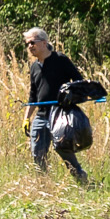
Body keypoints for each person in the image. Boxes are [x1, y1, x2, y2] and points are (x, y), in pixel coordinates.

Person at [22, 27, 92, 186]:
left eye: (32, 42)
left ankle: (81, 179)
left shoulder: (61, 60)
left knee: (63, 148)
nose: (30, 46)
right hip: (41, 115)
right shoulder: (34, 67)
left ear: (44, 42)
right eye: (27, 44)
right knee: (37, 152)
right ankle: (43, 186)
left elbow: (78, 81)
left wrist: (70, 95)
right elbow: (33, 95)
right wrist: (26, 118)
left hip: (60, 114)